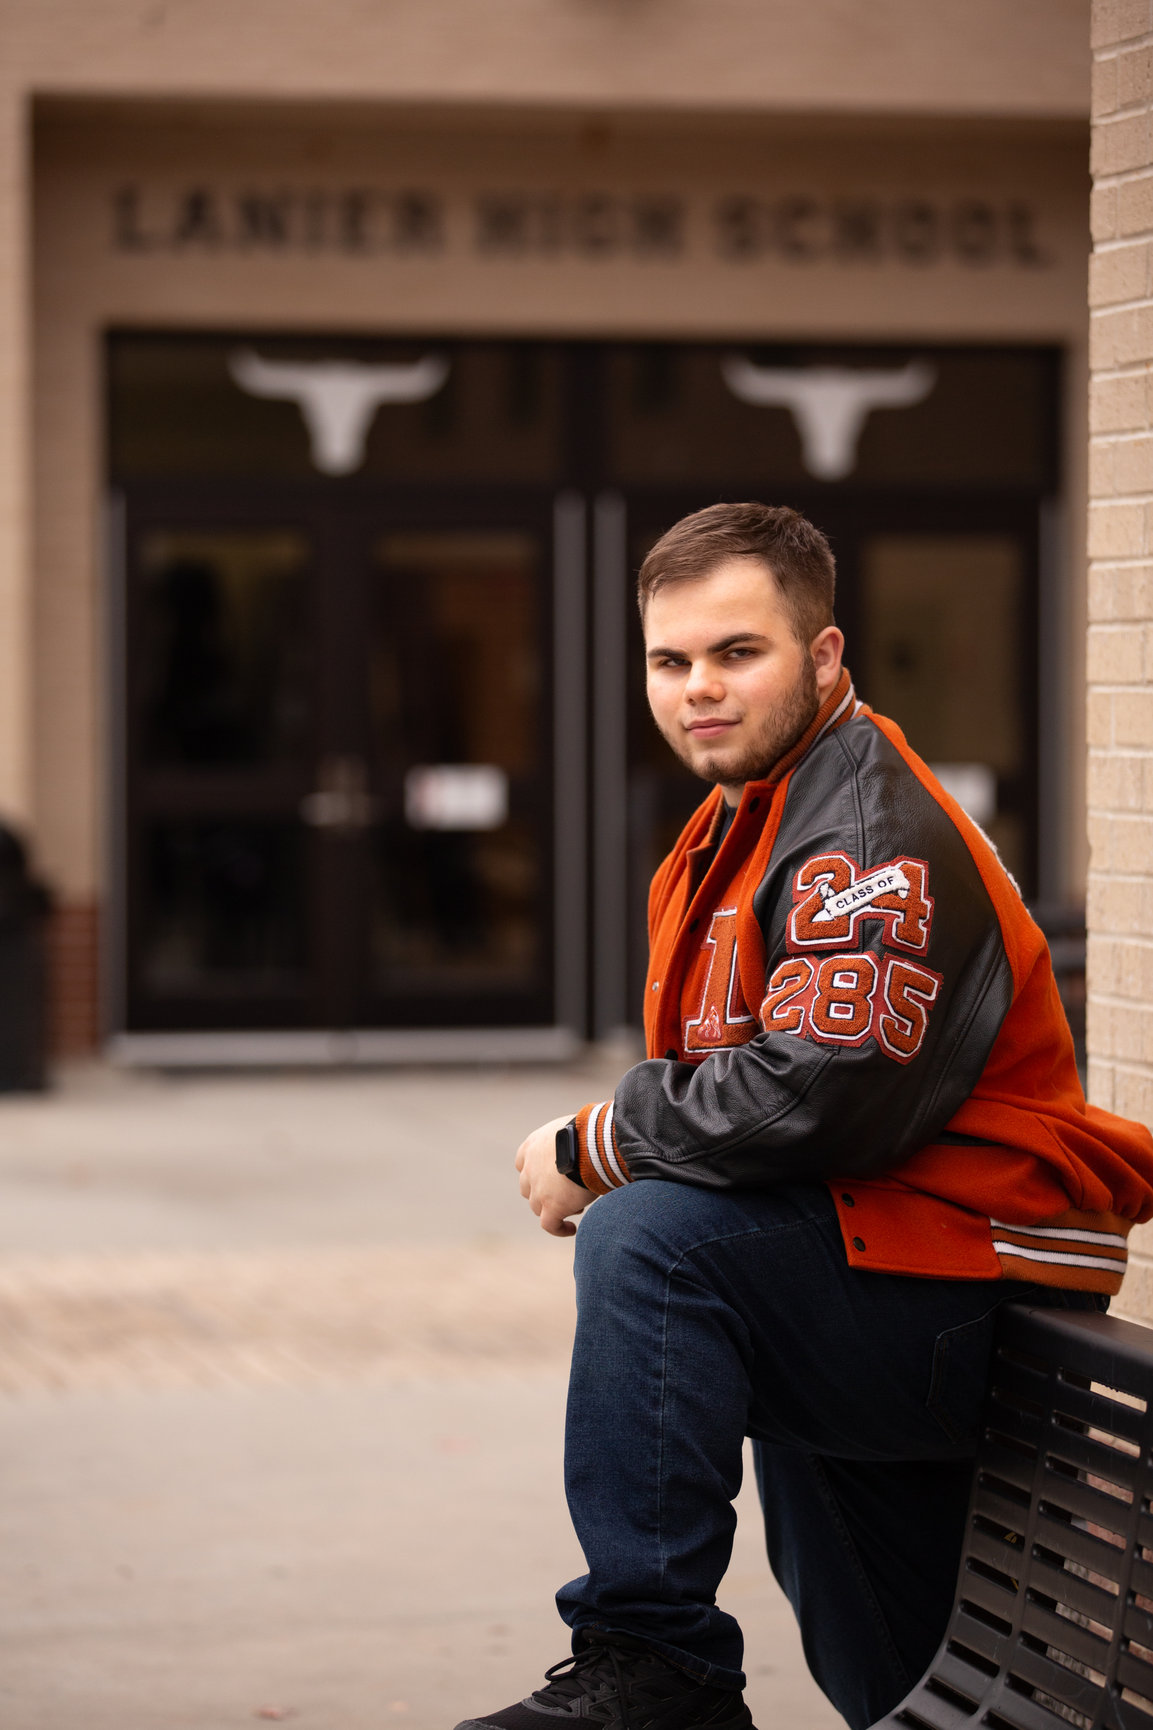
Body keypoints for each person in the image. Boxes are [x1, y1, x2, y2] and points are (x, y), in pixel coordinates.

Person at [454, 503, 1153, 1730]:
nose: (696, 690)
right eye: (670, 661)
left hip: (963, 1284)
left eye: (738, 652)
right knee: (898, 1675)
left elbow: (817, 1087)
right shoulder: (738, 820)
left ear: (825, 657)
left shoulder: (865, 832)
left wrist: (596, 1143)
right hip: (872, 1257)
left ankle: (655, 1660)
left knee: (651, 1244)